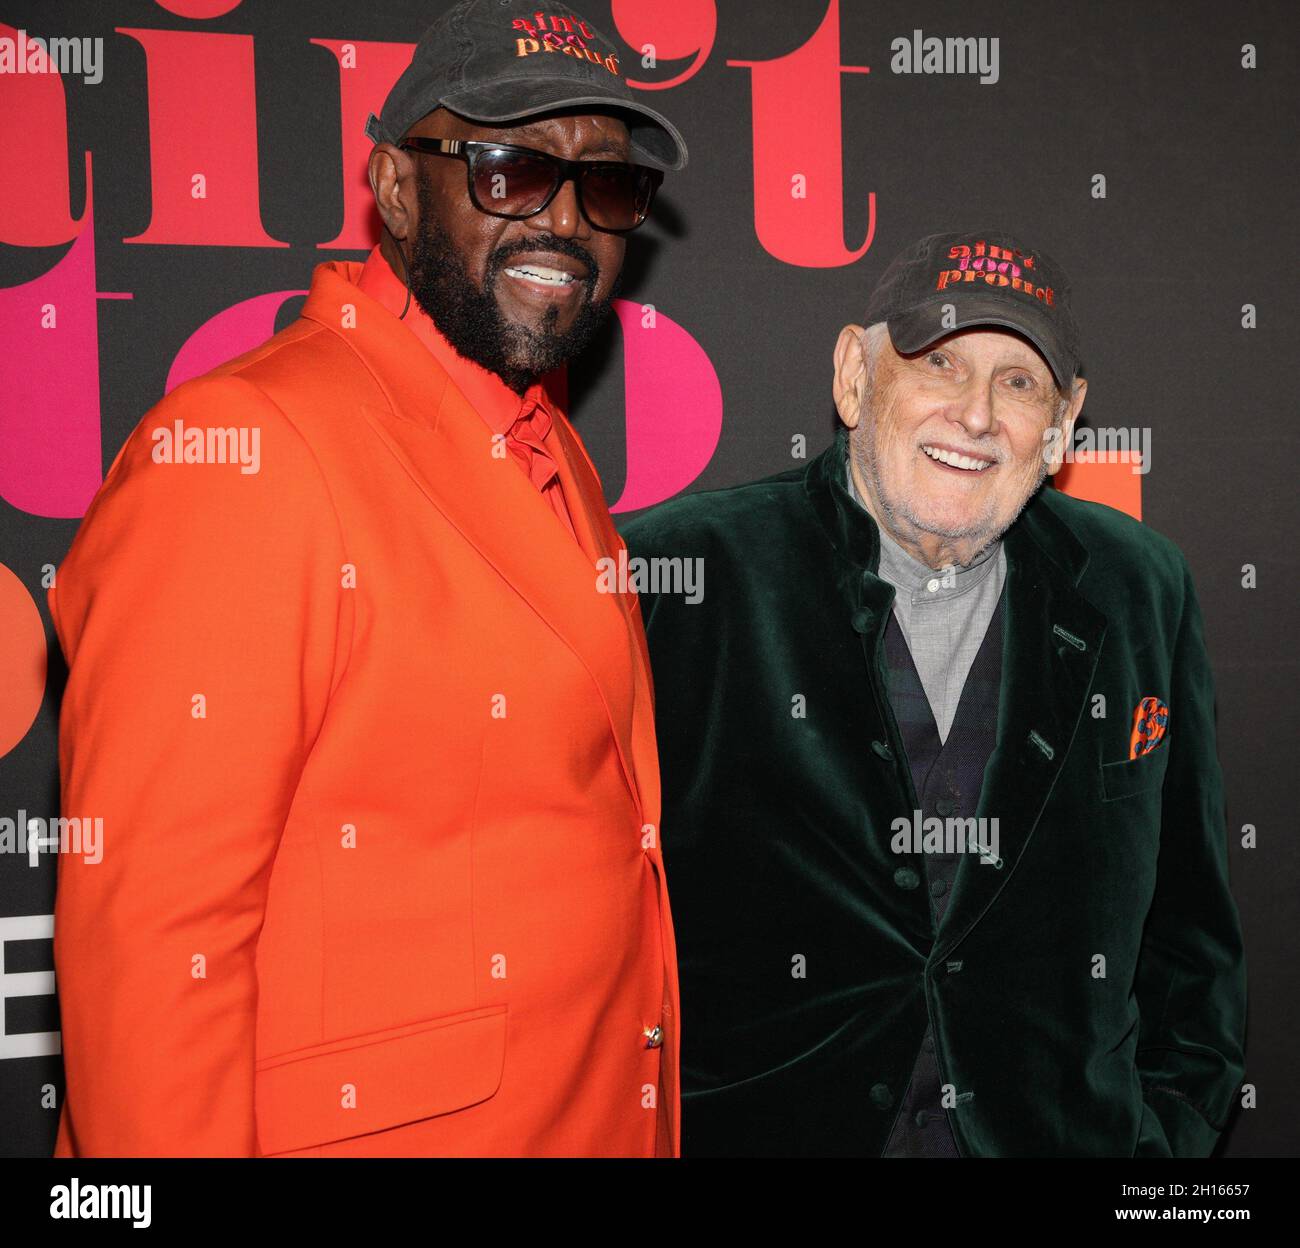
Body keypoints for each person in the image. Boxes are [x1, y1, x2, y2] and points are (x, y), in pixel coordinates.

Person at [49, 0, 687, 1157]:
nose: (563, 218)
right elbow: (153, 952)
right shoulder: (245, 453)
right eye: (506, 167)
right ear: (394, 188)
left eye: (607, 187)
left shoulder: (546, 443)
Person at [620, 231, 1247, 1157]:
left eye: (1020, 381)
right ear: (853, 376)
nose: (977, 414)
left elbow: (1191, 931)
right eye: (939, 361)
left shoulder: (1139, 586)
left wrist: (1166, 1150)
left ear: (1066, 422)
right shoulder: (682, 576)